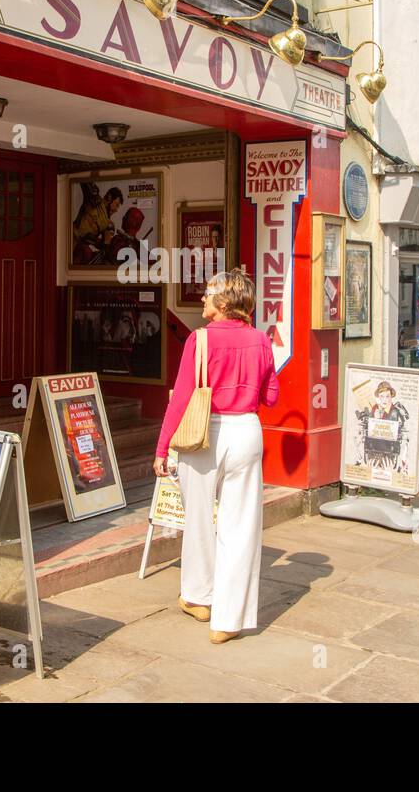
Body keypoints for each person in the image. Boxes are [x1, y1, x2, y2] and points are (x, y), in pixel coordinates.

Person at [154, 268, 279, 644]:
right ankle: (228, 620)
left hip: (204, 432)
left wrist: (162, 448)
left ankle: (198, 596)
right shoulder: (261, 341)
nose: (203, 297)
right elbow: (271, 397)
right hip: (246, 431)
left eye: (209, 293)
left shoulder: (199, 340)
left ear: (224, 303)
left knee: (198, 518)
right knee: (240, 527)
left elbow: (180, 400)